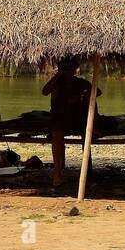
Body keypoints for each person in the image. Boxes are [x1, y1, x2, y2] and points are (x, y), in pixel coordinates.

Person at [42, 58, 100, 187]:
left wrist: (82, 96)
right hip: (60, 118)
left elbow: (98, 92)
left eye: (70, 69)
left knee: (88, 128)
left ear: (74, 70)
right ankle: (57, 173)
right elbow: (45, 91)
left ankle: (87, 172)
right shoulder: (57, 83)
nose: (68, 71)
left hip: (78, 118)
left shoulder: (80, 83)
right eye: (65, 69)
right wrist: (57, 75)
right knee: (56, 135)